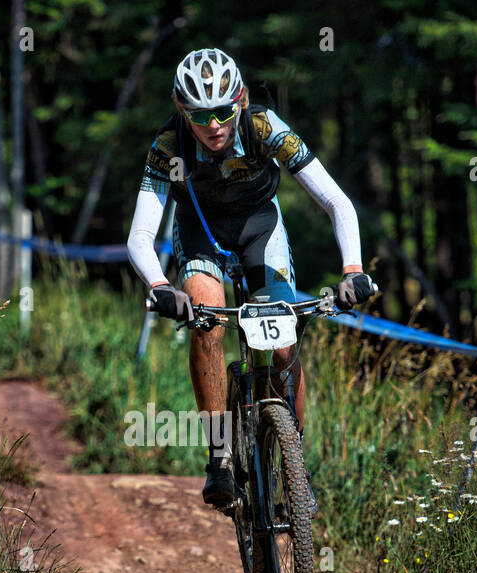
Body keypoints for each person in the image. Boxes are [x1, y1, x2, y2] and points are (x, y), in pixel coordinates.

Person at [126, 48, 375, 512]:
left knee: (283, 349)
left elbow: (337, 202)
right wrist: (161, 287)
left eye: (223, 111)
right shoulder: (167, 145)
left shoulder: (264, 126)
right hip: (202, 237)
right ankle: (219, 453)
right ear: (183, 109)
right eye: (201, 115)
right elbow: (140, 235)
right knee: (207, 323)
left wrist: (352, 270)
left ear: (239, 100)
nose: (214, 124)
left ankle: (294, 465)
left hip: (261, 230)